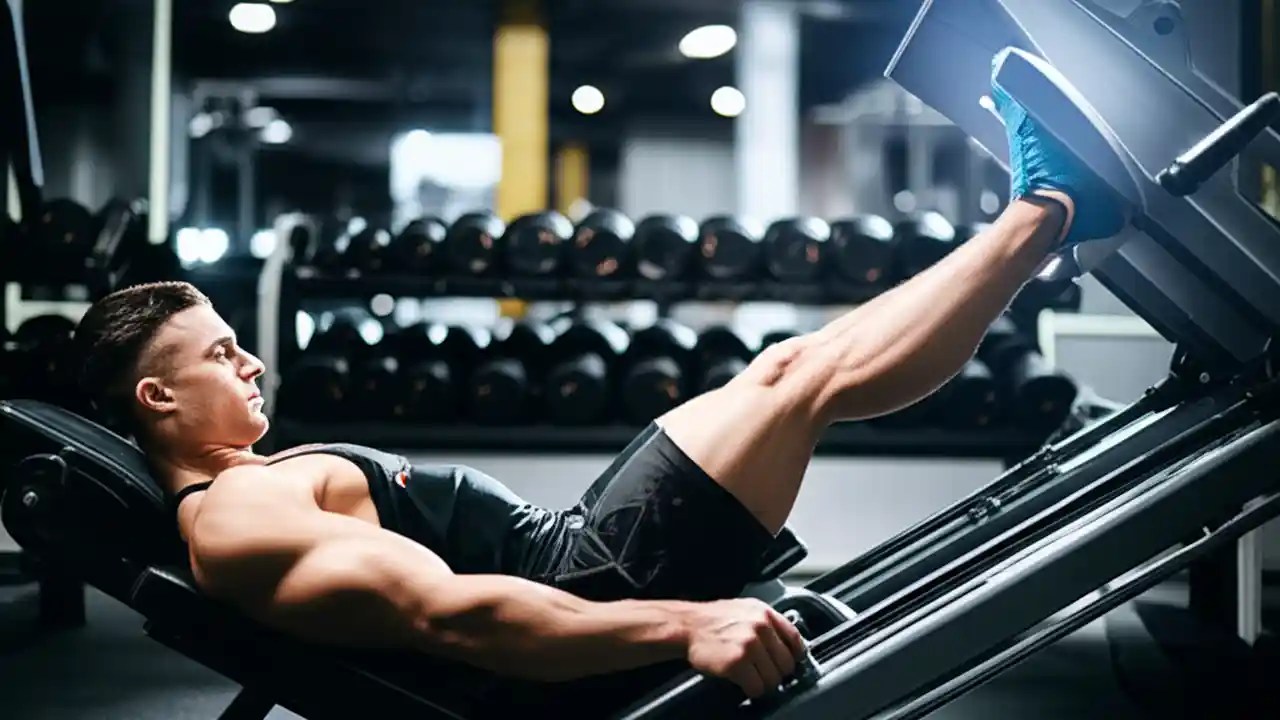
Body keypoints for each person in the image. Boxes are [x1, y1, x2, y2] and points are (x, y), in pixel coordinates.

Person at [71, 55, 1126, 701]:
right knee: (799, 376)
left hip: (578, 552)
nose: (248, 358)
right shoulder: (235, 519)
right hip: (589, 578)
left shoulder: (249, 486)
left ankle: (1047, 212)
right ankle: (1051, 209)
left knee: (794, 374)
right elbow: (452, 617)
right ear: (155, 400)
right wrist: (685, 625)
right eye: (217, 354)